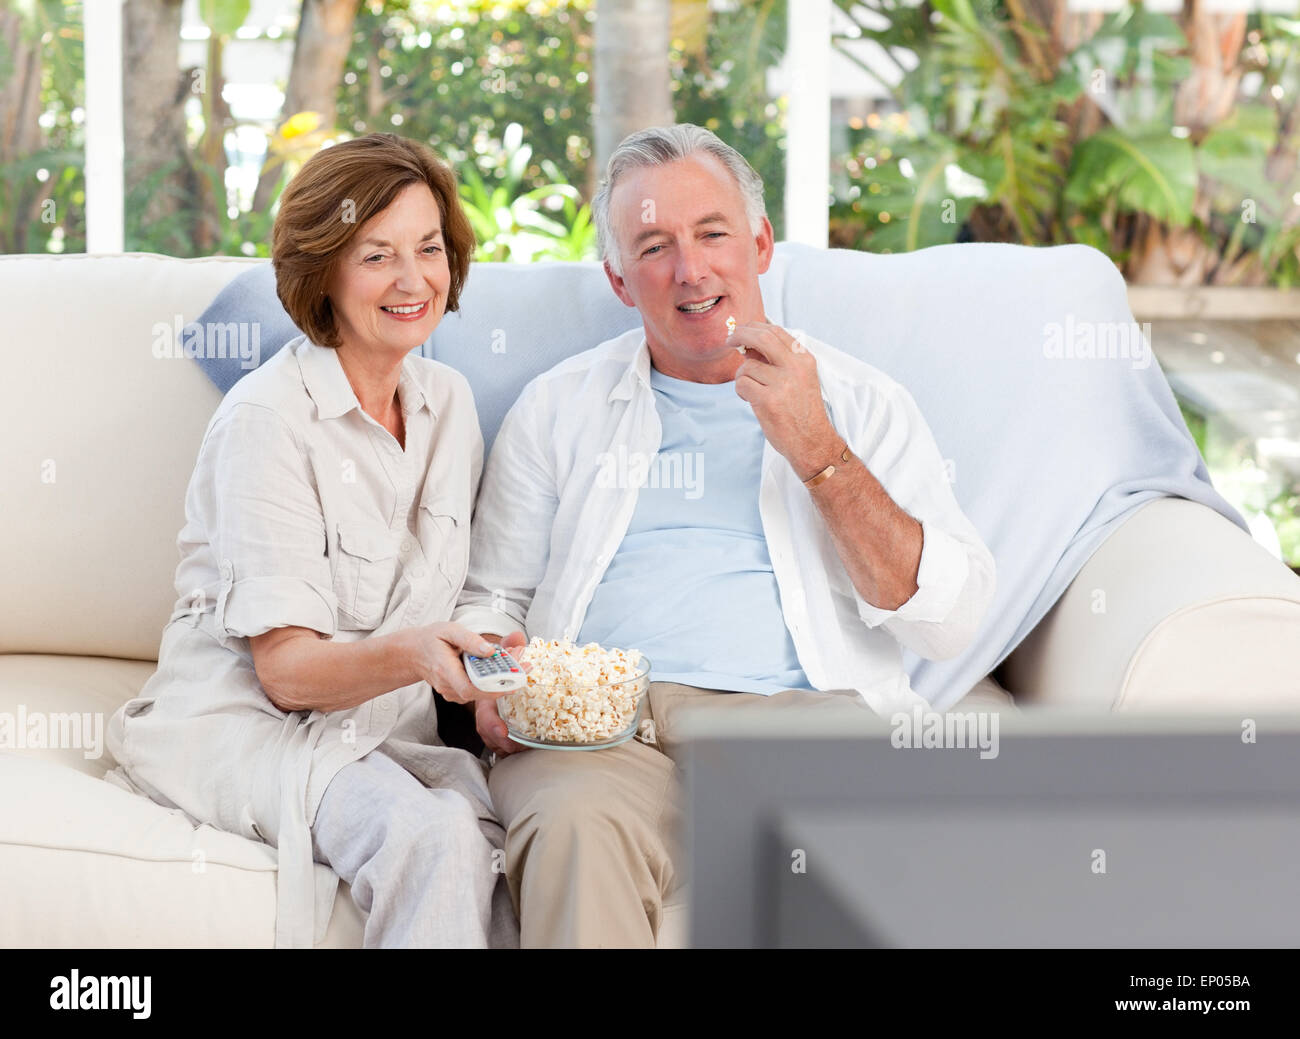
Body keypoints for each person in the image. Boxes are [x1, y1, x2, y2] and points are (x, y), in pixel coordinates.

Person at [451, 123, 997, 947]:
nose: (691, 269)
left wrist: (818, 449)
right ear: (618, 278)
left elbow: (947, 624)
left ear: (762, 243)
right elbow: (493, 599)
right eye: (654, 246)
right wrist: (496, 688)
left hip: (803, 722)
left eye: (712, 234)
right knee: (567, 819)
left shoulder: (862, 404)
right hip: (604, 736)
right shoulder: (556, 406)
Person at [104, 133, 523, 949]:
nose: (414, 280)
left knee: (512, 842)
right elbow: (286, 671)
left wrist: (493, 656)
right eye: (377, 256)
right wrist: (415, 653)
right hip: (248, 725)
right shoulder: (268, 420)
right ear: (324, 272)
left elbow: (456, 593)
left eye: (430, 248)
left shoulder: (450, 402)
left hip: (380, 731)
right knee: (429, 838)